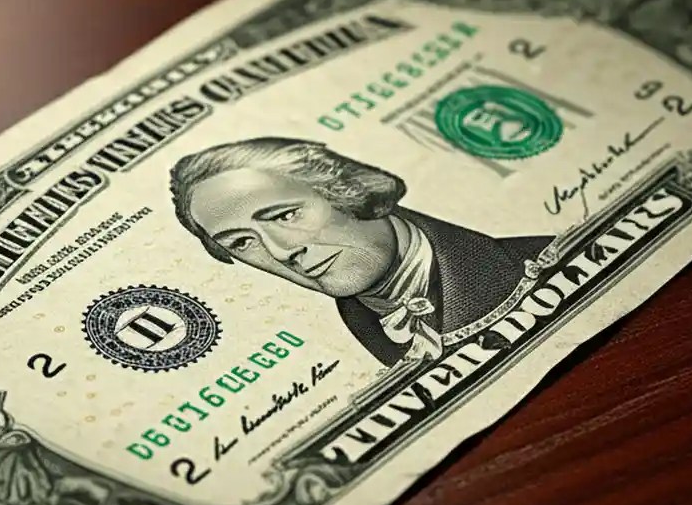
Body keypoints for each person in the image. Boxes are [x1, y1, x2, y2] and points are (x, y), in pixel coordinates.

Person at [169, 137, 552, 366]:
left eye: (286, 215)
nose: (282, 252)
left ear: (351, 192)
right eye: (241, 243)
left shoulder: (546, 259)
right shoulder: (364, 334)